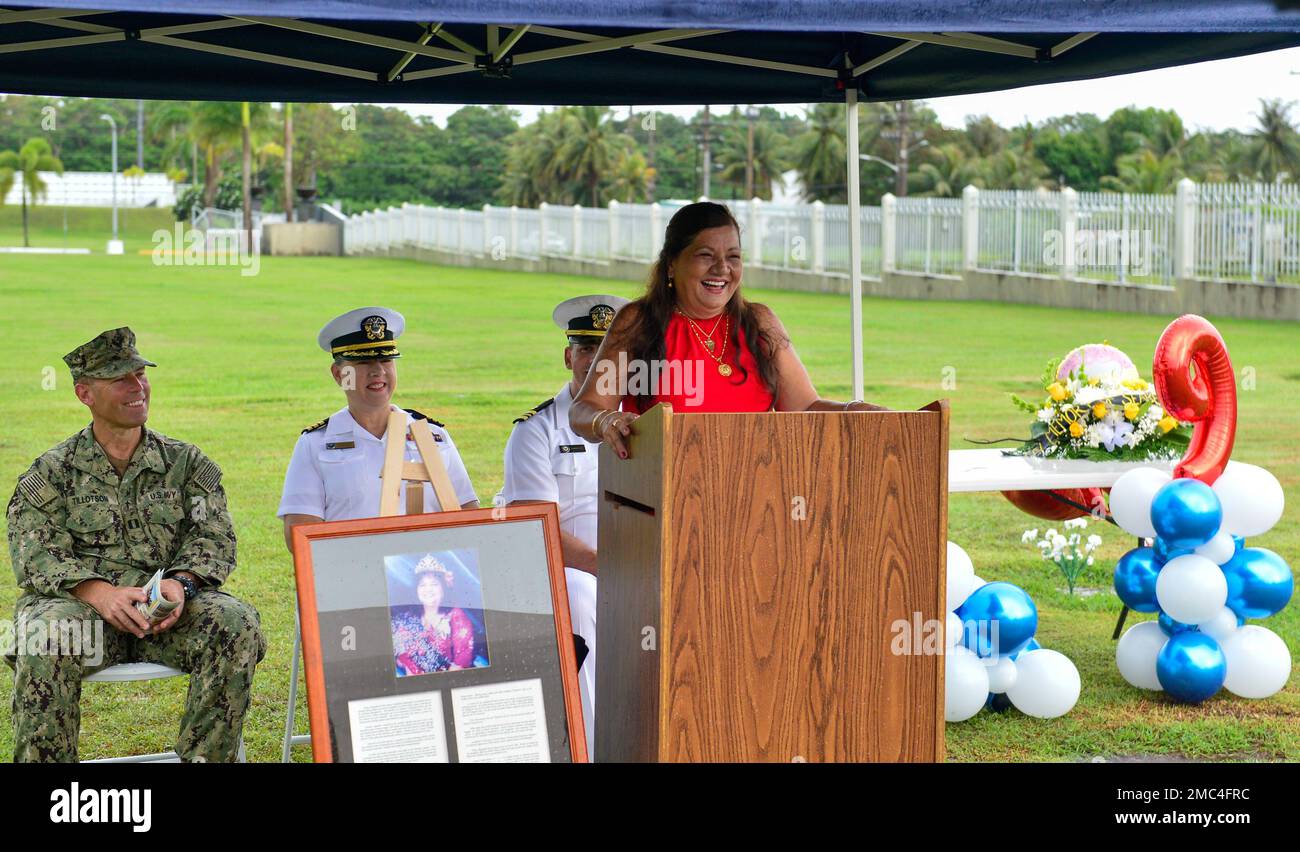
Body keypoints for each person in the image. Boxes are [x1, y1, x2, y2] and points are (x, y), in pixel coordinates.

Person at [5, 327, 265, 763]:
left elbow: (213, 537)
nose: (137, 387)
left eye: (141, 374)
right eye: (120, 379)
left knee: (236, 623)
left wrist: (181, 584)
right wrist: (99, 594)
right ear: (84, 393)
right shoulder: (52, 472)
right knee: (42, 640)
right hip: (84, 615)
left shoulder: (185, 463)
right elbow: (35, 554)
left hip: (167, 614)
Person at [569, 201, 888, 453]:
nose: (722, 268)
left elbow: (803, 406)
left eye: (733, 256)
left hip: (758, 499)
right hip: (668, 497)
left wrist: (856, 410)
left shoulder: (760, 322)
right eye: (705, 255)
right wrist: (606, 420)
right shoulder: (639, 322)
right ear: (671, 264)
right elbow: (584, 408)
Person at [498, 293, 629, 758]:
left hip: (641, 564)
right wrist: (606, 566)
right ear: (568, 355)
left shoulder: (647, 423)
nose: (599, 363)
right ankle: (593, 749)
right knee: (582, 597)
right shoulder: (537, 431)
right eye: (588, 349)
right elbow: (539, 527)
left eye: (610, 351)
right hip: (570, 570)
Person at [278, 306, 479, 547]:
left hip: (430, 578)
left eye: (386, 360)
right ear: (338, 374)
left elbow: (468, 514)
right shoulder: (315, 444)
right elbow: (299, 532)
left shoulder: (433, 436)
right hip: (355, 574)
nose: (378, 371)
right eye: (363, 362)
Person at [390, 554, 479, 676]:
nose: (428, 590)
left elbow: (461, 664)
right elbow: (399, 659)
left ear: (444, 588)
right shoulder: (406, 619)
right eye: (422, 585)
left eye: (434, 584)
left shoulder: (457, 617)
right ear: (416, 590)